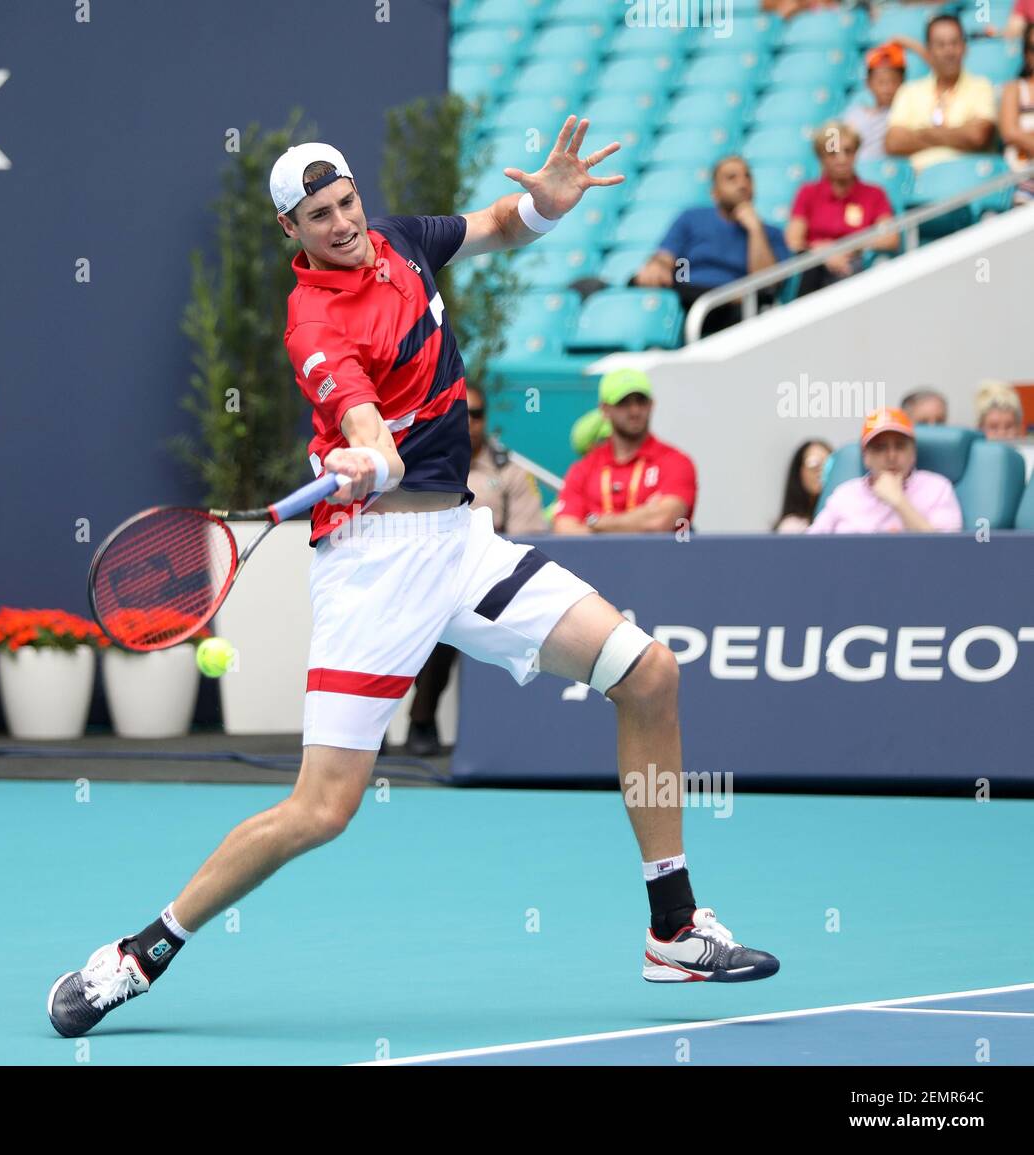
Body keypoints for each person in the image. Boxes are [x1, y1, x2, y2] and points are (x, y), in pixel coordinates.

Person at [46, 119, 779, 1038]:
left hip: (461, 544)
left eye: (347, 201)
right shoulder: (313, 324)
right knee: (322, 809)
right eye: (320, 215)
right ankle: (140, 952)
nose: (344, 223)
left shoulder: (397, 240)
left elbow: (495, 227)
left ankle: (673, 929)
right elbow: (368, 426)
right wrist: (369, 455)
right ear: (292, 231)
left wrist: (542, 207)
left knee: (649, 672)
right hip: (373, 568)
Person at [404, 383, 548, 757]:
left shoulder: (510, 472)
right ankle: (406, 722)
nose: (469, 421)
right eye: (461, 412)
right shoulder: (417, 465)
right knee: (433, 610)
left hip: (494, 577)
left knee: (453, 610)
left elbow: (527, 538)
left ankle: (428, 720)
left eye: (477, 414)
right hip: (425, 576)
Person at [632, 155, 790, 337]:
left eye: (747, 177)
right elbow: (666, 256)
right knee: (634, 282)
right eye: (731, 178)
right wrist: (657, 266)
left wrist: (755, 230)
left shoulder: (770, 233)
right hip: (686, 295)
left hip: (731, 309)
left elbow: (766, 283)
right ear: (714, 192)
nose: (742, 184)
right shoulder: (691, 218)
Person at [553, 368, 697, 535]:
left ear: (651, 404)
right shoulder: (583, 468)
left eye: (641, 401)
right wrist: (642, 515)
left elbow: (659, 522)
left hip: (661, 559)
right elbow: (564, 530)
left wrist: (595, 521)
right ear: (605, 410)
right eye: (623, 403)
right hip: (596, 561)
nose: (635, 411)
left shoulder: (676, 461)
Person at [807, 407, 963, 533]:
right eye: (880, 448)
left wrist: (898, 501)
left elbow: (946, 553)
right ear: (865, 457)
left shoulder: (938, 488)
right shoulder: (844, 494)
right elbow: (809, 549)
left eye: (900, 446)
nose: (891, 456)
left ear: (913, 453)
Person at [785, 122, 897, 296]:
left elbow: (891, 238)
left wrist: (848, 247)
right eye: (833, 153)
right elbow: (793, 240)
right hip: (815, 267)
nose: (842, 159)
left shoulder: (874, 193)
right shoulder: (808, 193)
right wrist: (820, 252)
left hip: (855, 263)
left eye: (848, 151)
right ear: (821, 157)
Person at [885, 14, 998, 172]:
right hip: (916, 182)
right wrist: (957, 135)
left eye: (954, 43)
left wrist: (924, 133)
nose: (949, 51)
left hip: (967, 179)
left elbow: (977, 137)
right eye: (941, 44)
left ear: (965, 47)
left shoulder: (981, 86)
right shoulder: (909, 91)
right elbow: (894, 142)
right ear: (929, 50)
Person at [843, 41, 917, 163]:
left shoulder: (909, 113)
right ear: (869, 83)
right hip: (861, 173)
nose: (887, 89)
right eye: (881, 82)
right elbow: (833, 135)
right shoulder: (855, 114)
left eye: (893, 81)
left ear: (903, 82)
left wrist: (908, 43)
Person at [999, 24, 1034, 204]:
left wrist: (1025, 137)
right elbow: (1010, 132)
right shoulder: (1014, 89)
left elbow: (1017, 133)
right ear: (1026, 54)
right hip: (1020, 182)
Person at [774, 439, 833, 533]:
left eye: (828, 464)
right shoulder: (791, 527)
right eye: (814, 463)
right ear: (799, 472)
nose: (822, 470)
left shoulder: (843, 520)